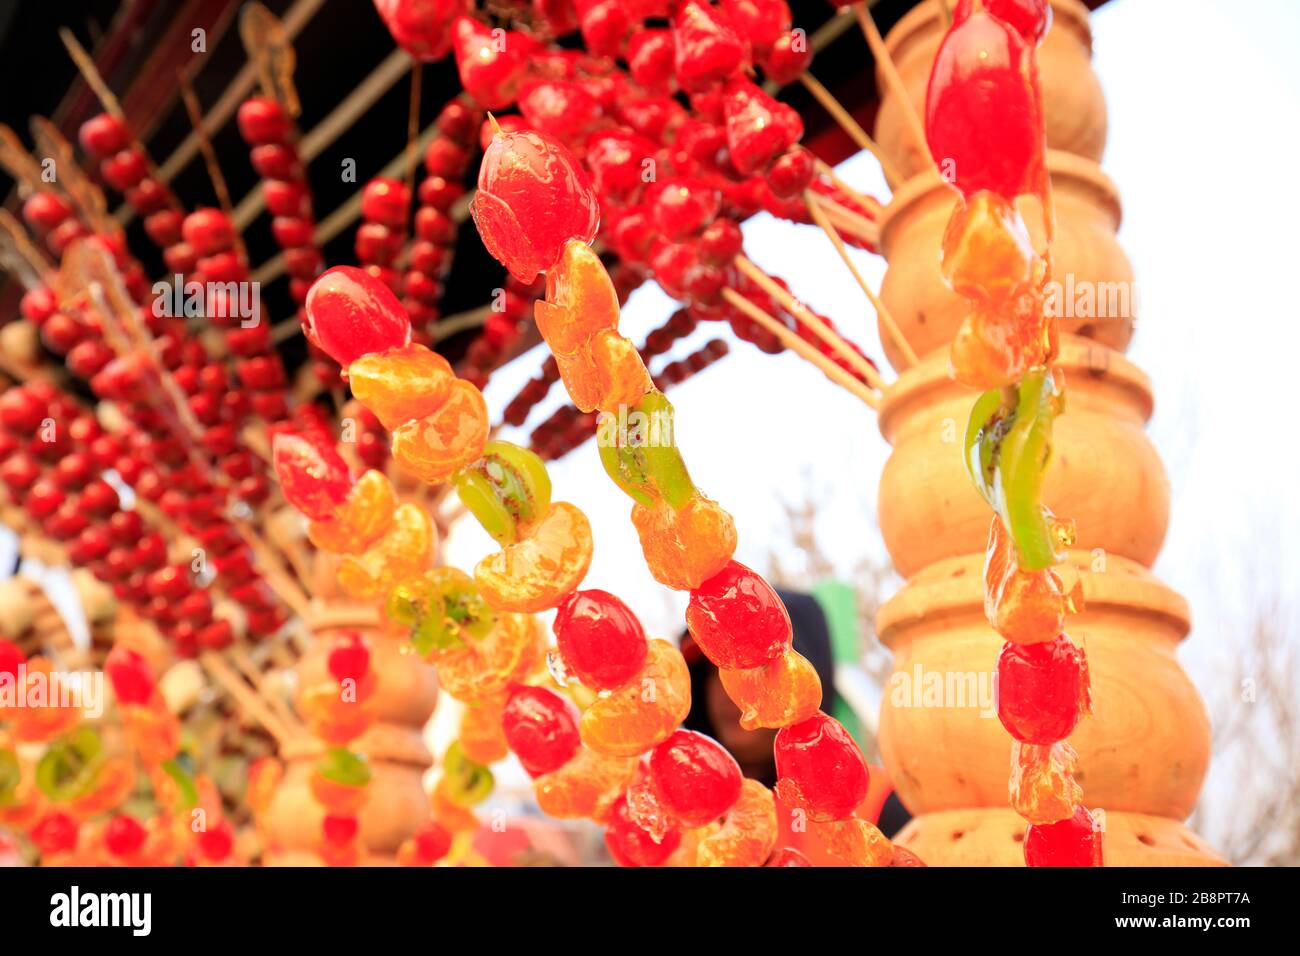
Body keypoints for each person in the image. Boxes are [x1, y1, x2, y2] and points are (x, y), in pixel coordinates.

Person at [680, 587, 911, 839]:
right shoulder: (676, 817)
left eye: (756, 667)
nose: (728, 690)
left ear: (804, 675)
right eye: (715, 668)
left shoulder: (878, 807)